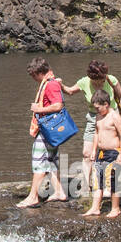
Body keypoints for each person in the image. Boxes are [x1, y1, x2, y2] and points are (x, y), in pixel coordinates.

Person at [19, 58, 70, 208]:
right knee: (50, 160)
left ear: (39, 73)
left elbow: (58, 105)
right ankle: (59, 192)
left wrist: (39, 109)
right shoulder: (51, 82)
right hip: (49, 130)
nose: (34, 79)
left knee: (39, 162)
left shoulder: (51, 84)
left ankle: (33, 196)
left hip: (47, 130)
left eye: (34, 76)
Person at [62, 59, 121, 160]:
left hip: (111, 116)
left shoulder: (111, 79)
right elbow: (70, 91)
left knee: (111, 149)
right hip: (93, 117)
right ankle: (89, 176)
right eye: (97, 80)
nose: (100, 83)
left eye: (102, 79)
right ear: (90, 77)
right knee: (86, 153)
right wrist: (60, 84)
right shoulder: (84, 82)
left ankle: (112, 168)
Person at [83, 90, 121, 218]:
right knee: (97, 180)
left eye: (98, 107)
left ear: (106, 104)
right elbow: (96, 133)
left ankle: (115, 208)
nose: (96, 110)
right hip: (100, 153)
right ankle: (95, 207)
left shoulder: (114, 116)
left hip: (113, 152)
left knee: (112, 180)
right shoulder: (98, 116)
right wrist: (93, 150)